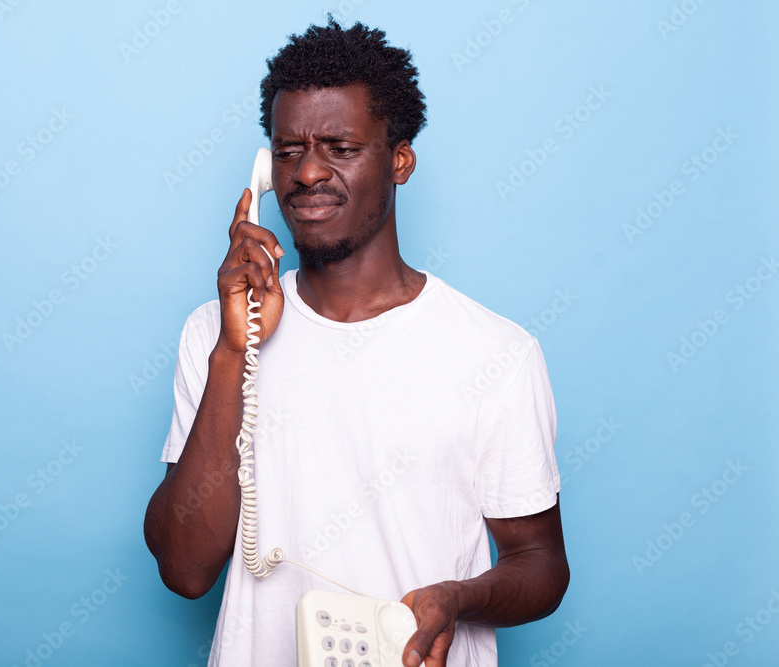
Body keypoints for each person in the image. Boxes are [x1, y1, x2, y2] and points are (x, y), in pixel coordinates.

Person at [144, 18, 569, 667]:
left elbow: (541, 564)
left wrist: (456, 597)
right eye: (288, 150)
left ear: (399, 159)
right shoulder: (215, 334)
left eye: (339, 146)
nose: (308, 171)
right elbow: (184, 568)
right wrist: (235, 354)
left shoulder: (497, 353)